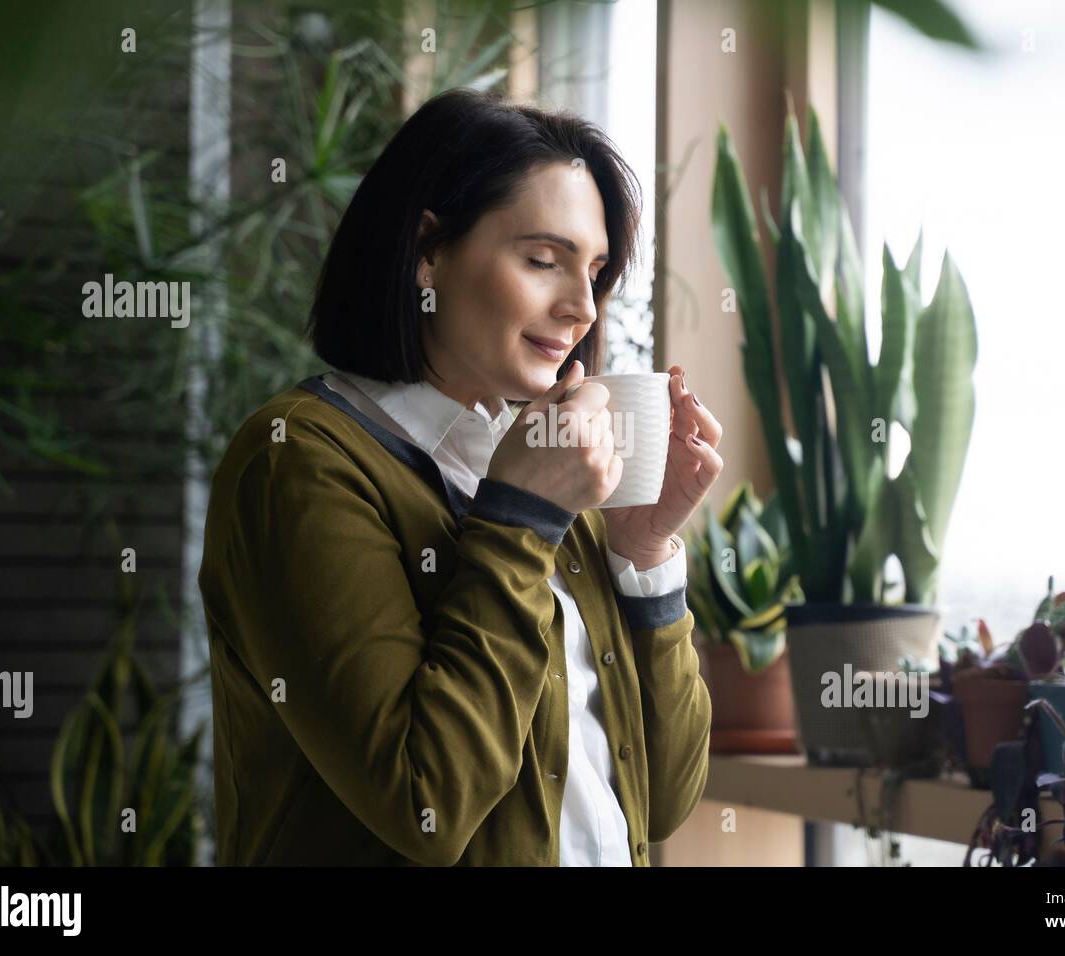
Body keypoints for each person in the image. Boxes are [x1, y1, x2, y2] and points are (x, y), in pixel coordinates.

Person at [197, 88, 723, 866]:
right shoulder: (300, 462)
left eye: (597, 271)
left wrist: (642, 553)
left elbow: (665, 797)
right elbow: (425, 803)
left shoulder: (551, 471)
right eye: (543, 260)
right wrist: (518, 523)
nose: (581, 306)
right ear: (428, 252)